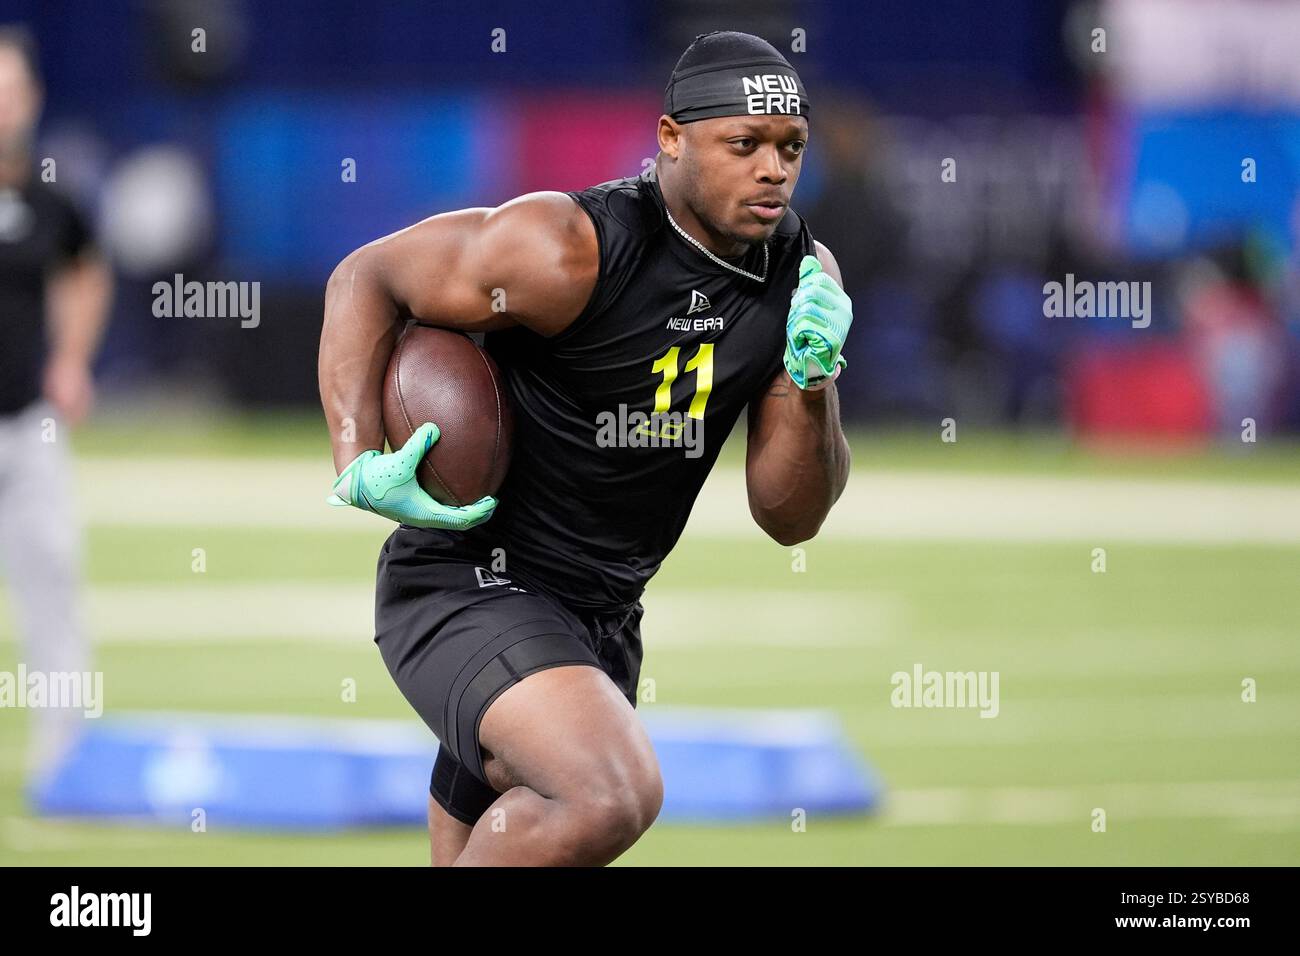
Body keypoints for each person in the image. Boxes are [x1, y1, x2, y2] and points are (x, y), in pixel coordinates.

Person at [318, 30, 853, 866]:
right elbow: (366, 277)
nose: (772, 170)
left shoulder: (801, 279)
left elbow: (790, 517)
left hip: (602, 615)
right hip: (475, 582)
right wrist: (354, 456)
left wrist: (813, 382)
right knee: (613, 791)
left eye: (790, 148)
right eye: (743, 144)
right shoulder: (568, 247)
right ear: (670, 138)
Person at [0, 26, 113, 779]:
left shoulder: (50, 197)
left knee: (53, 583)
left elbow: (87, 270)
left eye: (11, 91)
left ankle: (64, 760)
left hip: (26, 420)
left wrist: (71, 359)